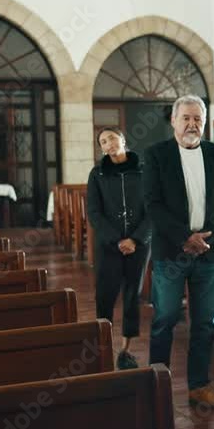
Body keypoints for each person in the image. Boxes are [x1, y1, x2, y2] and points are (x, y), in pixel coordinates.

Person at [143, 94, 214, 409]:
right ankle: (157, 382)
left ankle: (198, 385)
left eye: (198, 119)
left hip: (209, 252)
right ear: (174, 121)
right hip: (171, 251)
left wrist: (207, 237)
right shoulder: (156, 155)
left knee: (204, 324)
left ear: (204, 122)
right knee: (165, 318)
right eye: (186, 118)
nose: (192, 124)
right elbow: (152, 204)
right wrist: (184, 237)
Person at [86, 127, 151, 370]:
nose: (108, 143)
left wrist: (136, 239)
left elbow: (153, 208)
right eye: (103, 141)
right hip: (108, 245)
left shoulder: (144, 171)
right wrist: (116, 240)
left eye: (112, 138)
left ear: (123, 139)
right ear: (101, 148)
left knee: (132, 296)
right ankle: (102, 347)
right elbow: (94, 212)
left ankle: (125, 351)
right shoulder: (98, 174)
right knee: (105, 294)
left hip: (139, 245)